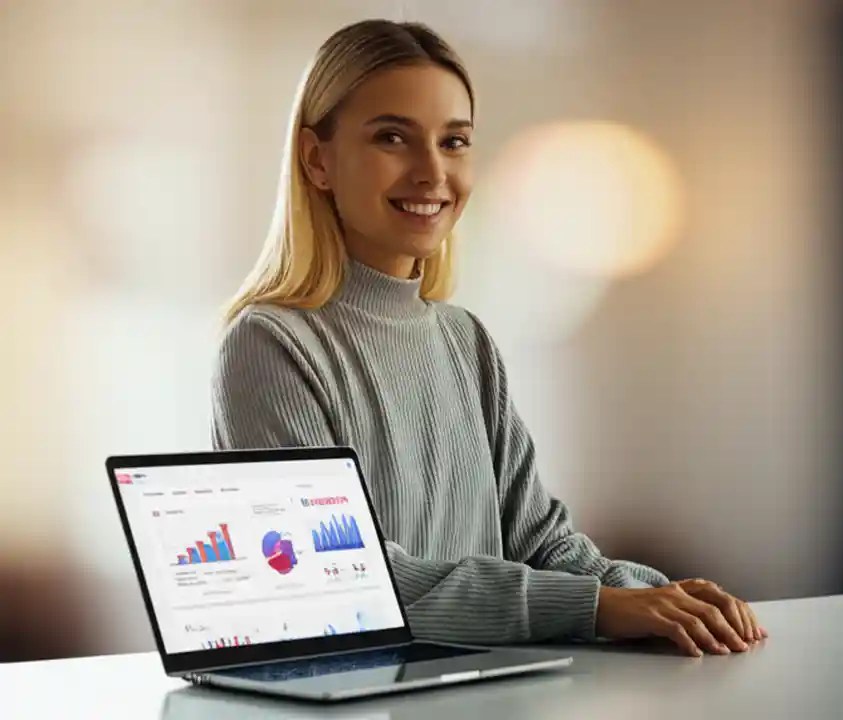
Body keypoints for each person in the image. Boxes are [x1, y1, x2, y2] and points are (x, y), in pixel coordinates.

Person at [212, 19, 766, 658]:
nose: (431, 172)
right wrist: (600, 607)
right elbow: (341, 579)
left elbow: (542, 542)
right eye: (393, 137)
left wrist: (664, 598)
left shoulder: (463, 339)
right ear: (318, 159)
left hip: (484, 690)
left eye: (454, 142)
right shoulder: (268, 344)